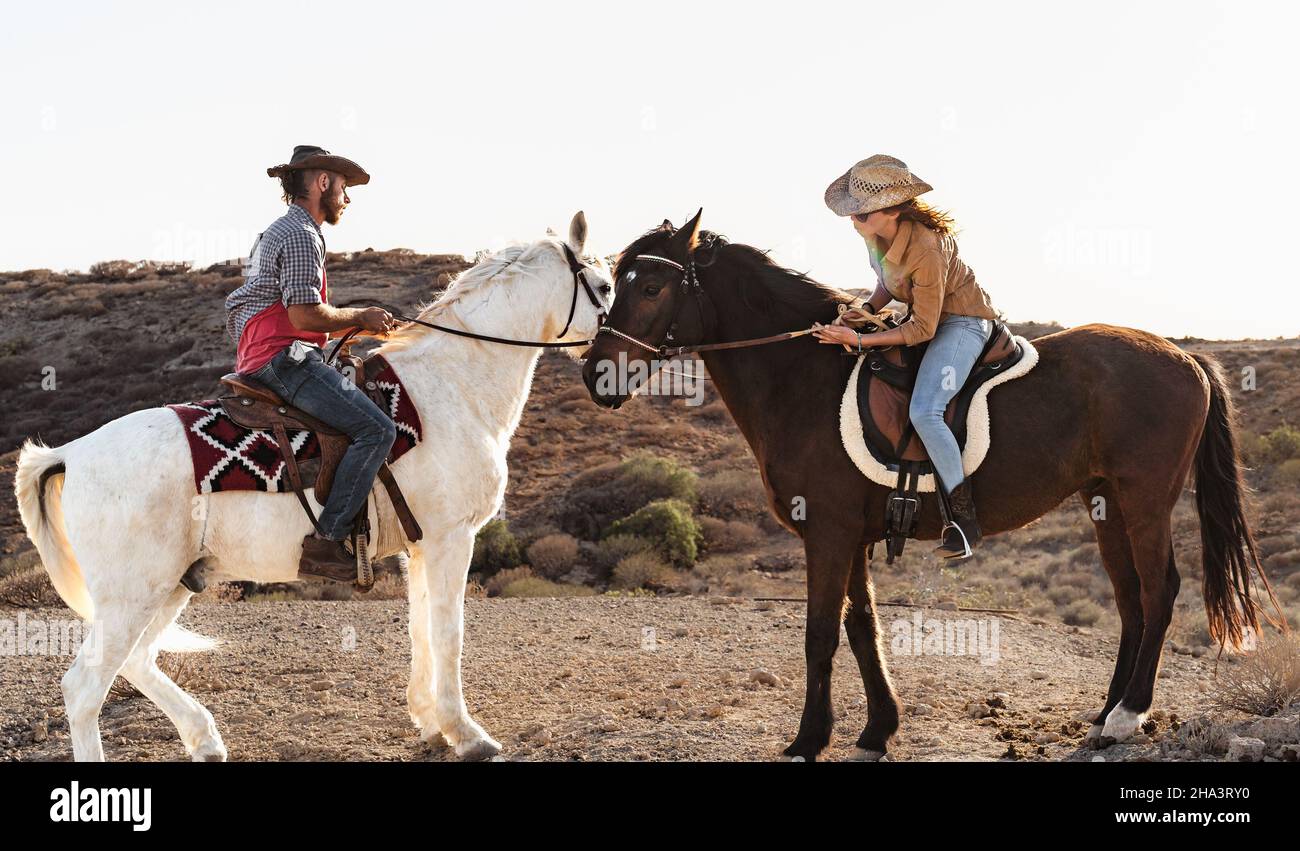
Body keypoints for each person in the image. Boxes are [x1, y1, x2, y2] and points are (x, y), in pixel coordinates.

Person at [813, 155, 999, 560]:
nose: (853, 218)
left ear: (892, 210)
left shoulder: (928, 248)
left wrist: (859, 342)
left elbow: (923, 330)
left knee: (926, 412)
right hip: (917, 316)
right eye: (853, 211)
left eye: (861, 212)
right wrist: (865, 311)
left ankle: (964, 523)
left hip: (961, 324)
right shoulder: (871, 233)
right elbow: (885, 281)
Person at [224, 145, 397, 580]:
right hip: (285, 359)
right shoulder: (303, 235)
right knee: (377, 429)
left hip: (263, 354)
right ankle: (327, 540)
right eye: (342, 187)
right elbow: (303, 314)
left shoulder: (273, 233)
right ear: (322, 183)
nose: (346, 198)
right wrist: (361, 317)